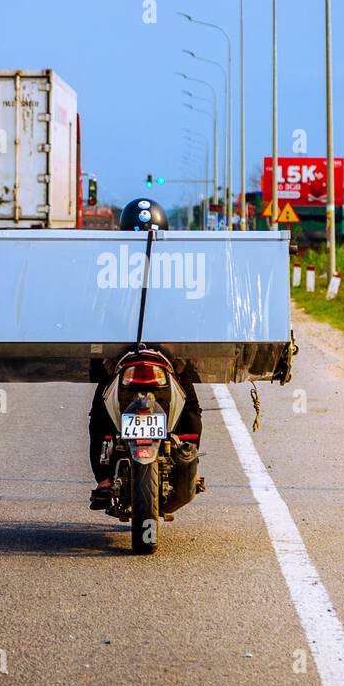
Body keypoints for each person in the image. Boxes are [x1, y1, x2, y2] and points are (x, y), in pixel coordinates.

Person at [88, 199, 204, 510]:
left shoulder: (109, 268)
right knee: (190, 407)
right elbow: (192, 315)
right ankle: (187, 459)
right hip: (163, 361)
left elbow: (96, 314)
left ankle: (104, 481)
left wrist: (104, 357)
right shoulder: (178, 269)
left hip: (125, 361)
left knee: (100, 414)